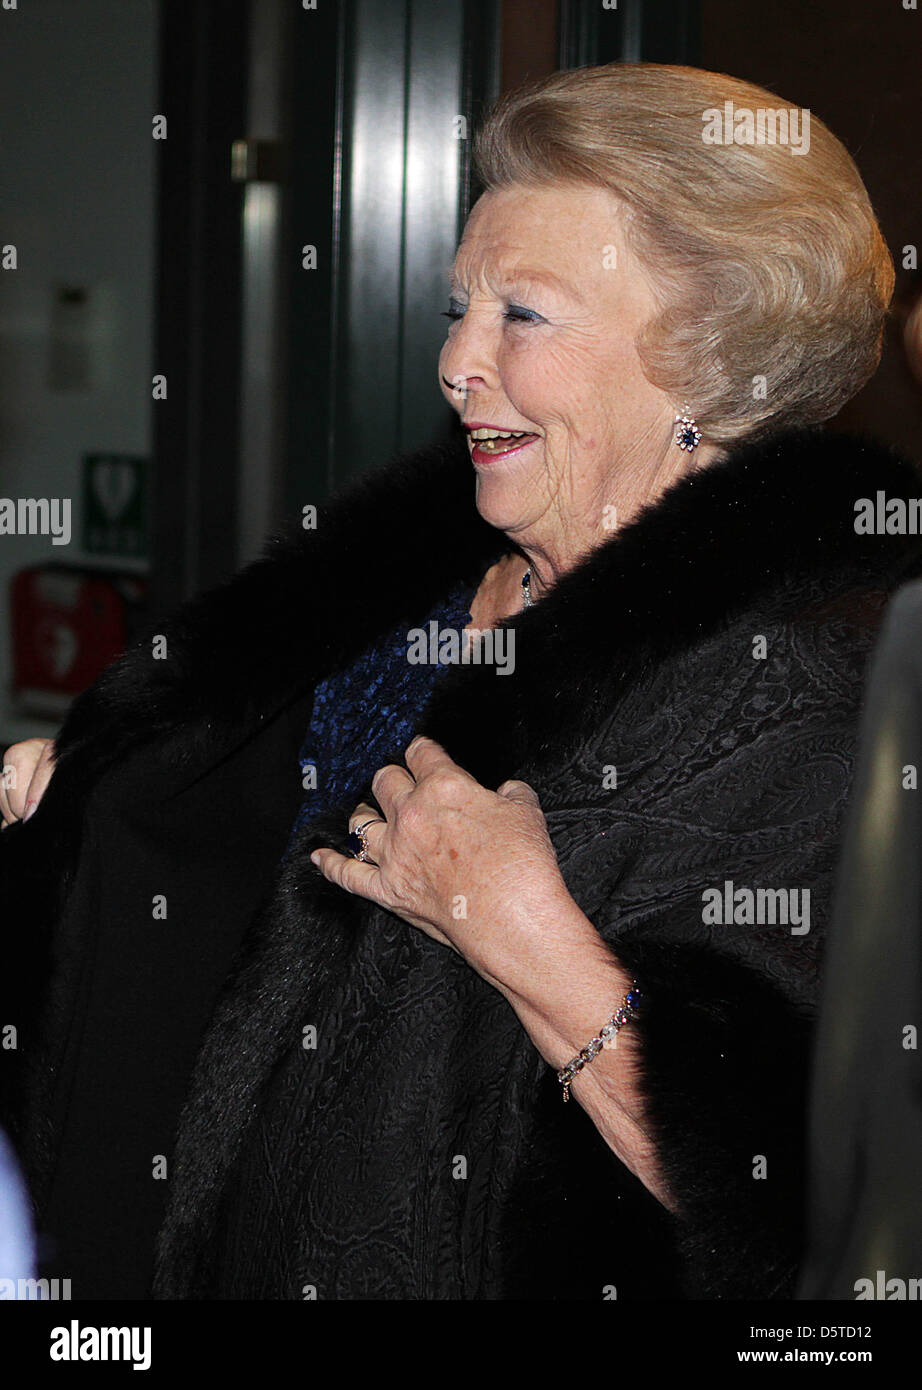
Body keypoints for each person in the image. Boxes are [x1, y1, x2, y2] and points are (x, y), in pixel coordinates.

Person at [2, 61, 920, 1300]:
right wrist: (115, 798)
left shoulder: (806, 696)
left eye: (521, 315)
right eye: (457, 308)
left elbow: (805, 1210)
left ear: (710, 359)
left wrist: (527, 933)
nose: (455, 363)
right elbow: (284, 883)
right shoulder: (427, 571)